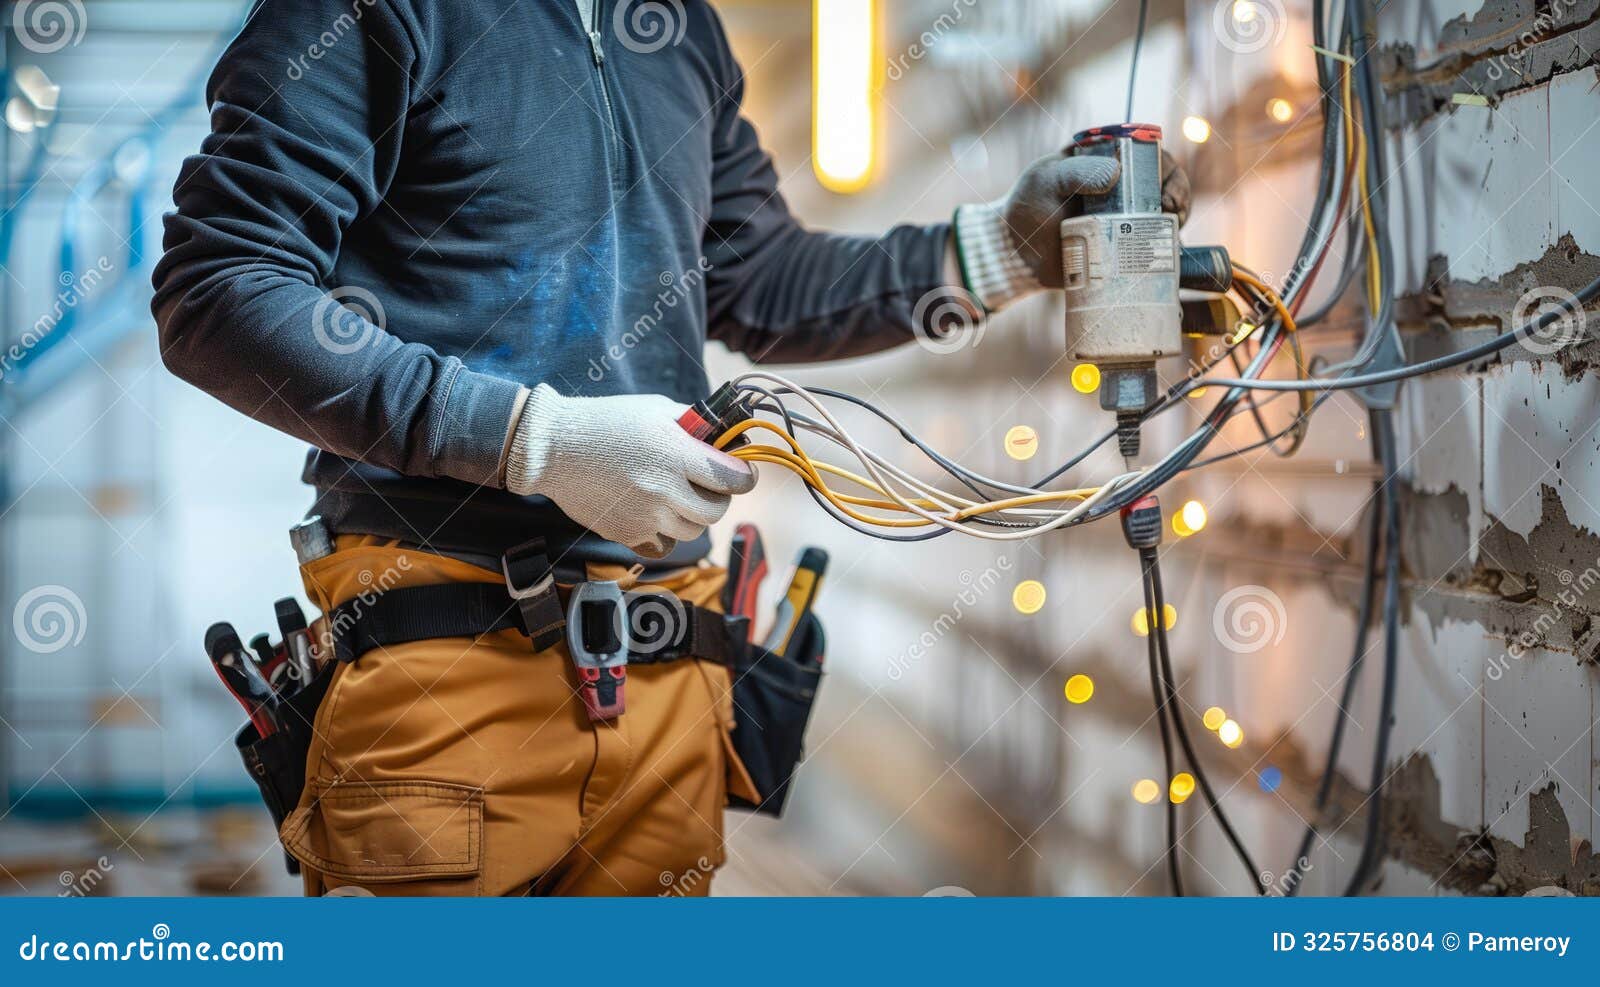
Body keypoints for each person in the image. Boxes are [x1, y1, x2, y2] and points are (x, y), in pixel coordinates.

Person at [153, 0, 1190, 896]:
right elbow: (220, 290)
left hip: (670, 669)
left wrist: (997, 251)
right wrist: (533, 442)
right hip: (441, 662)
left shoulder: (677, 30)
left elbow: (759, 278)